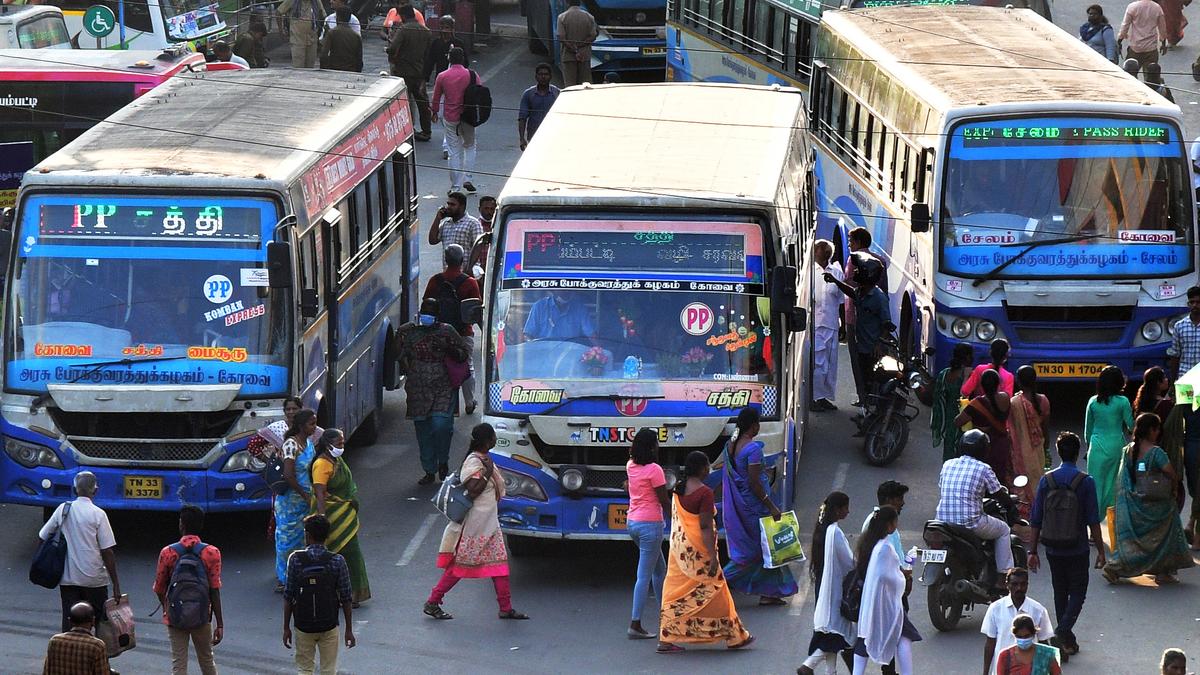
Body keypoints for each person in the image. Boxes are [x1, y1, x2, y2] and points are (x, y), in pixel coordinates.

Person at [425, 423, 530, 620]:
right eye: (493, 437)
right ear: (488, 440)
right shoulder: (474, 462)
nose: (495, 440)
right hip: (476, 526)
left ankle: (505, 607)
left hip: (488, 524)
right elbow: (473, 489)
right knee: (459, 567)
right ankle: (433, 601)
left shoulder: (482, 459)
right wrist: (488, 472)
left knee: (499, 566)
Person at [657, 451, 754, 653]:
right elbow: (705, 527)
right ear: (702, 469)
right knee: (717, 587)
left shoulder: (678, 488)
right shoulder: (704, 493)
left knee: (674, 590)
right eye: (708, 465)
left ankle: (666, 638)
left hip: (678, 549)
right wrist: (711, 557)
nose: (709, 468)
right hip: (698, 551)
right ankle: (734, 635)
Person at [1027, 432, 1106, 661]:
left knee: (1060, 591)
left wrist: (1032, 551)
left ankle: (1066, 641)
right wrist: (1100, 550)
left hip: (1052, 547)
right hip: (1077, 547)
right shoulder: (1085, 481)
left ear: (1058, 452)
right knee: (1078, 592)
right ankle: (1061, 632)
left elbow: (1036, 518)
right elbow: (1093, 519)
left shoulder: (1047, 480)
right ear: (1078, 452)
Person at [1103, 413, 1195, 583]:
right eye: (1157, 429)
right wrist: (1174, 489)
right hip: (1157, 503)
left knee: (1137, 540)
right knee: (1167, 531)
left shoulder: (1129, 450)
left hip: (1135, 502)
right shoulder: (1156, 452)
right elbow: (1170, 473)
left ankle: (1116, 566)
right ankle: (1162, 571)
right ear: (1152, 430)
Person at [721, 407, 797, 604]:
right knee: (755, 551)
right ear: (753, 425)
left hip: (742, 504)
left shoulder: (731, 445)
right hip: (754, 507)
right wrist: (770, 505)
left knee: (767, 549)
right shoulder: (753, 450)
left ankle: (770, 593)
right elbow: (755, 483)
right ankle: (716, 583)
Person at [395, 297, 468, 485]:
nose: (426, 316)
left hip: (443, 384)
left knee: (441, 425)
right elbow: (398, 355)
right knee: (423, 430)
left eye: (431, 313)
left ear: (437, 316)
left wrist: (447, 347)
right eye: (424, 312)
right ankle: (429, 469)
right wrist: (398, 335)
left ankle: (443, 461)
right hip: (418, 387)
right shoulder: (411, 332)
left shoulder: (447, 331)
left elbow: (462, 354)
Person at [39, 471, 120, 634]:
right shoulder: (98, 514)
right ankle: (97, 653)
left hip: (69, 579)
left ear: (75, 490)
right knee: (99, 623)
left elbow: (42, 536)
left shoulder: (63, 509)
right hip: (94, 579)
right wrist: (116, 585)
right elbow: (107, 551)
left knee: (70, 621)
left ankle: (67, 652)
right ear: (95, 491)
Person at [152, 506, 223, 675]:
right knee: (206, 660)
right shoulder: (212, 552)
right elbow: (214, 589)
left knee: (179, 663)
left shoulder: (167, 552)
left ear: (181, 524)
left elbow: (159, 587)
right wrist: (219, 623)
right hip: (202, 615)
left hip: (175, 616)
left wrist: (167, 607)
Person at [936, 430, 1016, 581]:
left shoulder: (948, 464)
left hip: (942, 521)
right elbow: (998, 493)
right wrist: (1010, 503)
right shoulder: (984, 469)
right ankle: (1003, 577)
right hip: (970, 523)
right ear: (984, 450)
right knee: (1004, 530)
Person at [283, 515, 356, 675]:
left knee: (305, 669)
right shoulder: (337, 561)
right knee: (328, 670)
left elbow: (288, 596)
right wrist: (348, 630)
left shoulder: (295, 559)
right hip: (328, 624)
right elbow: (346, 597)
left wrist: (286, 628)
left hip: (303, 625)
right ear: (327, 536)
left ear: (307, 535)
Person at [853, 506, 917, 675]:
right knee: (904, 636)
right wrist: (904, 577)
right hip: (887, 603)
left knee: (864, 638)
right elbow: (888, 576)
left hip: (871, 601)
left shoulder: (870, 544)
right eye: (895, 522)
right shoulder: (885, 548)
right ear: (889, 525)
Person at [309, 428, 370, 606]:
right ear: (328, 445)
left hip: (344, 514)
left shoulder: (336, 460)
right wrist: (322, 519)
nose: (342, 446)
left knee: (352, 554)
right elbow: (320, 493)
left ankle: (352, 593)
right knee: (338, 555)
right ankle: (339, 594)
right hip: (331, 516)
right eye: (339, 444)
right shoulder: (321, 464)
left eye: (342, 443)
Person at [827, 251, 890, 417]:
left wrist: (879, 343)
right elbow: (850, 292)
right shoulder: (862, 291)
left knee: (873, 384)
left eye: (859, 271)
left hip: (873, 350)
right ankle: (867, 413)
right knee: (864, 381)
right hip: (862, 347)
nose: (855, 273)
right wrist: (834, 281)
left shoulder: (878, 297)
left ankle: (874, 414)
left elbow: (887, 323)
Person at [423, 243, 482, 414]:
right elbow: (475, 309)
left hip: (438, 333)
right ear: (462, 261)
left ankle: (440, 402)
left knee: (440, 365)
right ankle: (469, 402)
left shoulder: (435, 281)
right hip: (463, 332)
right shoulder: (470, 283)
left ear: (446, 260)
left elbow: (426, 305)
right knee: (467, 365)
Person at [798, 491, 852, 675]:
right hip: (835, 590)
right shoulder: (835, 532)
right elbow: (848, 561)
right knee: (837, 635)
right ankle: (808, 665)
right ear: (837, 510)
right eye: (845, 507)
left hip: (824, 585)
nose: (848, 511)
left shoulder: (823, 529)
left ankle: (831, 672)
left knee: (830, 632)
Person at [624, 428, 669, 639]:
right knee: (644, 576)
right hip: (651, 525)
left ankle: (665, 616)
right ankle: (635, 623)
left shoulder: (631, 466)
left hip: (633, 522)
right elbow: (663, 500)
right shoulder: (655, 470)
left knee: (660, 570)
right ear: (652, 447)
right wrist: (678, 519)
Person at [275, 409, 319, 591]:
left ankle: (299, 573)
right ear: (301, 426)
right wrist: (305, 495)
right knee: (286, 539)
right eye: (311, 424)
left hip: (306, 500)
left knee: (302, 539)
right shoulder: (291, 445)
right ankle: (283, 578)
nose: (314, 427)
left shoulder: (308, 443)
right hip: (290, 502)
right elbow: (288, 475)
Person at [1169, 286, 1200, 541]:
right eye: (1191, 302)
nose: (1195, 305)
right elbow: (1175, 357)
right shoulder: (1180, 326)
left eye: (1198, 302)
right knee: (1188, 432)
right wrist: (1172, 387)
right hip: (1187, 386)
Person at [981, 569, 1054, 675]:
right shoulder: (995, 609)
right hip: (1002, 669)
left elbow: (1044, 643)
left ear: (1027, 585)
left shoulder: (1039, 610)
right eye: (1015, 584)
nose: (1019, 588)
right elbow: (990, 643)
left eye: (1023, 584)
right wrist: (985, 672)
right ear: (1007, 585)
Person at [1084, 365, 1134, 512]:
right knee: (1114, 486)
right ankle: (1114, 524)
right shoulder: (1123, 402)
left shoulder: (1093, 401)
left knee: (1096, 487)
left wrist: (1089, 449)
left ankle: (1094, 525)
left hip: (1096, 447)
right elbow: (1131, 426)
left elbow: (1087, 431)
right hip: (1116, 447)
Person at [432, 47, 480, 195]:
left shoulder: (442, 76)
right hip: (468, 117)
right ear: (463, 59)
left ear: (449, 59)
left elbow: (436, 97)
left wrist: (434, 112)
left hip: (450, 117)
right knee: (470, 146)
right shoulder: (472, 75)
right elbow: (481, 92)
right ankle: (468, 178)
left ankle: (455, 186)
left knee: (453, 151)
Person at [956, 369, 1013, 484]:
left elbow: (958, 422)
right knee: (1000, 479)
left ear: (981, 385)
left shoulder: (976, 404)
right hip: (1002, 445)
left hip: (982, 448)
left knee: (982, 482)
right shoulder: (1006, 398)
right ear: (998, 384)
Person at [386, 5, 434, 141]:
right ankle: (426, 131)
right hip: (419, 73)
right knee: (423, 104)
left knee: (404, 103)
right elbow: (428, 55)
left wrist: (389, 49)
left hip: (403, 72)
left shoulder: (403, 30)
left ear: (403, 16)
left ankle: (406, 130)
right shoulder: (426, 31)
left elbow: (393, 48)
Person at [1010, 365, 1050, 508]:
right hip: (1038, 449)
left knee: (1023, 485)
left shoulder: (1014, 403)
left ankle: (1026, 516)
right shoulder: (1043, 400)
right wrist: (1045, 447)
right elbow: (1045, 428)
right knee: (1037, 482)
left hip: (1020, 451)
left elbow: (1011, 430)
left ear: (1018, 382)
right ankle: (1039, 511)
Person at [812, 239, 843, 412]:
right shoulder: (811, 272)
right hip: (814, 325)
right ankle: (814, 397)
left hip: (831, 323)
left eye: (819, 251)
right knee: (817, 363)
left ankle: (824, 397)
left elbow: (840, 299)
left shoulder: (837, 272)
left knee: (829, 365)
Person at [42, 602, 110, 675]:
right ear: (93, 621)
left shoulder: (55, 640)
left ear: (69, 621)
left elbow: (46, 671)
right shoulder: (97, 646)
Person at [932, 342, 974, 461]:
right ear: (968, 358)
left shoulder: (944, 374)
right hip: (966, 421)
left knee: (949, 454)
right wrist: (966, 377)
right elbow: (964, 395)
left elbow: (938, 400)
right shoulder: (970, 375)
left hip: (949, 422)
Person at [994, 614, 1062, 675]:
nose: (1023, 639)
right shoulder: (1005, 655)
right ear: (1014, 635)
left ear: (1033, 634)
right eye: (1019, 636)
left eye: (1027, 636)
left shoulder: (1047, 654)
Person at [522, 290, 596, 341]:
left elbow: (591, 334)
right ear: (553, 290)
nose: (566, 292)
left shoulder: (580, 308)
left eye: (568, 289)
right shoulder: (539, 306)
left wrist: (600, 351)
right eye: (562, 289)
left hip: (571, 354)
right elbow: (528, 335)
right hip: (543, 353)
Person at [518, 63, 560, 150]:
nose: (543, 77)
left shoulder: (557, 93)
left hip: (554, 136)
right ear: (536, 76)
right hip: (534, 136)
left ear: (550, 76)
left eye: (546, 74)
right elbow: (522, 118)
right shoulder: (528, 94)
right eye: (541, 74)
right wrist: (522, 139)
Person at [557, 0, 597, 87]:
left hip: (568, 56)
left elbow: (561, 37)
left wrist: (574, 48)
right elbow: (593, 36)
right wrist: (580, 46)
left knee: (570, 85)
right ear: (579, 2)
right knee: (585, 85)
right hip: (584, 56)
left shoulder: (562, 17)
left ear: (568, 2)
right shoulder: (589, 17)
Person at [1117, 0, 1166, 69]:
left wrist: (1119, 41)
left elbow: (1125, 26)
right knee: (1150, 76)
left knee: (1130, 75)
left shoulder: (1132, 7)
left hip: (1135, 47)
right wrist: (1163, 42)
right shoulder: (1157, 8)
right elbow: (1162, 28)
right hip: (1151, 48)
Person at [318, 7, 362, 72]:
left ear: (337, 18)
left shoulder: (332, 33)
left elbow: (324, 55)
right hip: (351, 70)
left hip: (334, 69)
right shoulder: (356, 36)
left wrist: (324, 70)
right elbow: (359, 59)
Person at [286, 0, 325, 68]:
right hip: (297, 39)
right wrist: (281, 31)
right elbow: (278, 12)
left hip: (312, 39)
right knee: (298, 67)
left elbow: (323, 15)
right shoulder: (292, 1)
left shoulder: (316, 1)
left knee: (310, 67)